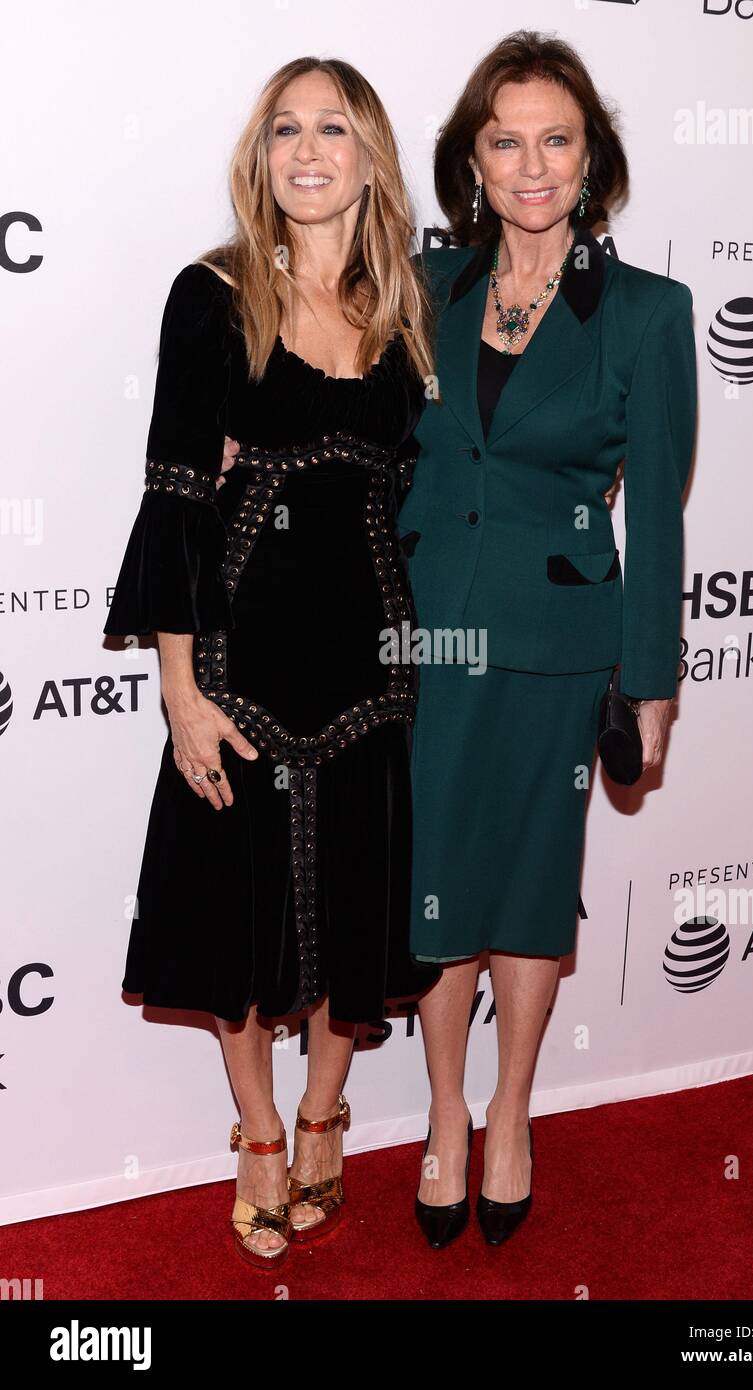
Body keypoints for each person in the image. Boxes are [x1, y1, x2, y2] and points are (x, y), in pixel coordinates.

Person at [103, 56, 439, 1268]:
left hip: (374, 671)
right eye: (285, 129)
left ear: (368, 156)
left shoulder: (410, 306)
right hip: (239, 669)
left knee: (352, 908)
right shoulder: (211, 295)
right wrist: (180, 691)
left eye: (333, 128)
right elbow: (178, 497)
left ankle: (322, 1115)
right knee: (238, 921)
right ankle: (255, 1132)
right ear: (262, 156)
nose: (308, 149)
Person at [399, 30, 698, 1247]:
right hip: (422, 637)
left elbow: (662, 510)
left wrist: (651, 678)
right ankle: (439, 1113)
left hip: (559, 640)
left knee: (526, 886)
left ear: (592, 158)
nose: (531, 165)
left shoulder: (646, 312)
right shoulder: (423, 289)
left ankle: (511, 1110)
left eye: (555, 139)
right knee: (432, 892)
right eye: (505, 139)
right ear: (472, 158)